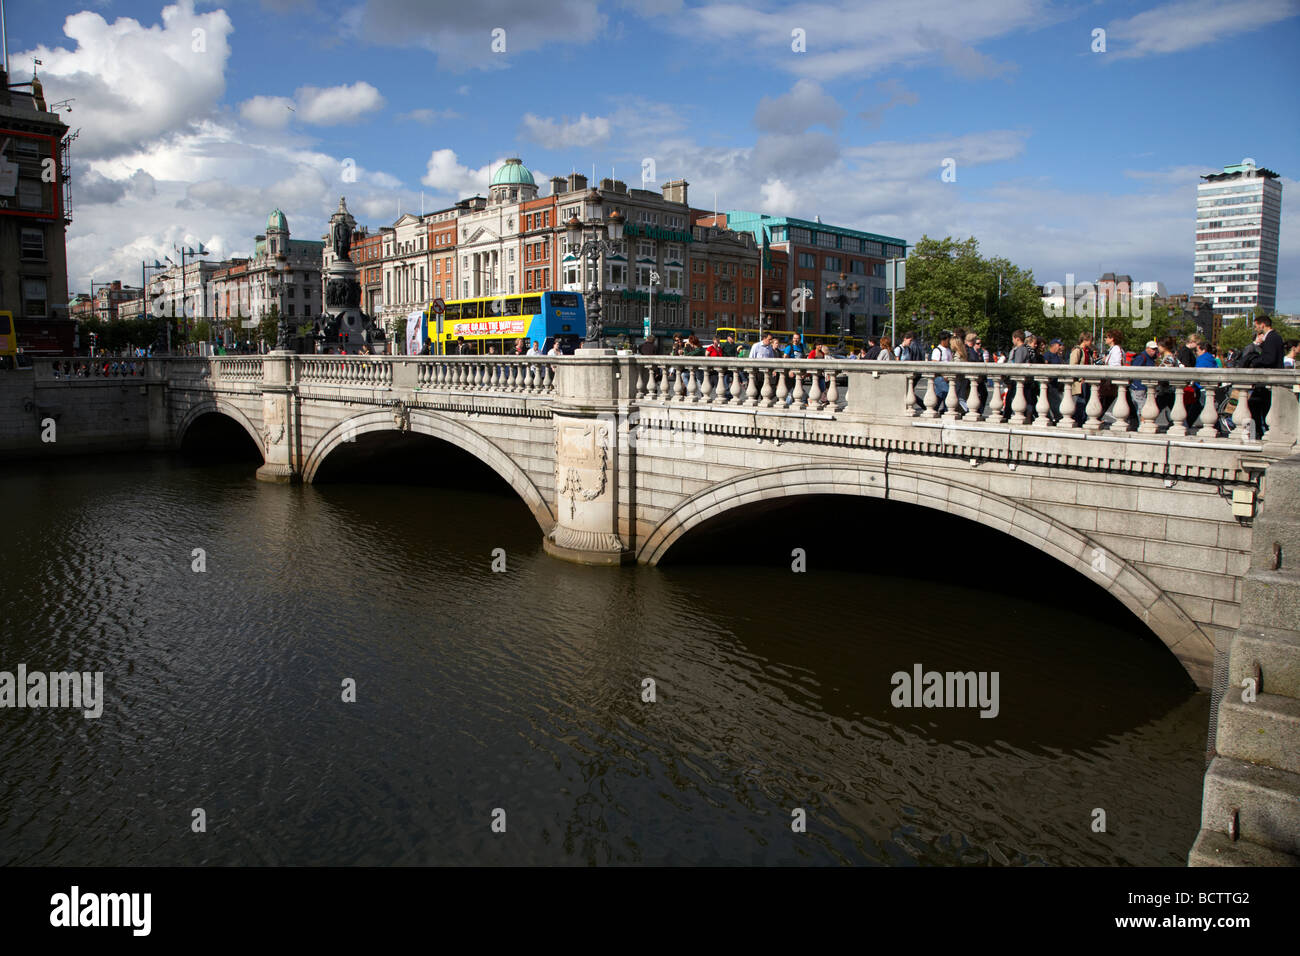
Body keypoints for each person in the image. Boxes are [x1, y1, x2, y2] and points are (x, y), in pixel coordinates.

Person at [1240, 315, 1284, 435]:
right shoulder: (1275, 337)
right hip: (1268, 381)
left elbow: (1269, 359)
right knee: (1261, 409)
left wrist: (1255, 361)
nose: (1255, 328)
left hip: (1267, 381)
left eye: (1256, 326)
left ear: (1262, 325)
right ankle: (1259, 433)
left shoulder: (1271, 338)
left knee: (1257, 408)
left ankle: (1257, 434)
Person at [1068, 331, 1095, 424]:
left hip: (1086, 381)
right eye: (1091, 340)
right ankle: (1078, 422)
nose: (1092, 343)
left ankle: (1082, 421)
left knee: (1085, 402)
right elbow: (1073, 366)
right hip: (1079, 382)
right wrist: (1080, 378)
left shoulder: (1087, 351)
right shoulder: (1077, 351)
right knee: (1080, 403)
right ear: (1085, 340)